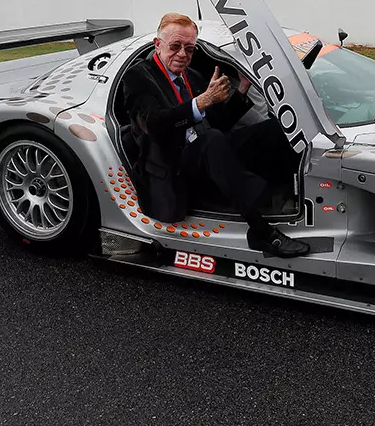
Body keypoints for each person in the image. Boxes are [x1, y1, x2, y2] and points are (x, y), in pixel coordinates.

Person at [123, 13, 310, 258]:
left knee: (273, 129)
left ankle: (285, 196)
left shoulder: (192, 76)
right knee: (211, 140)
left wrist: (242, 88)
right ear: (158, 45)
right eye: (175, 46)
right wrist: (202, 102)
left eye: (189, 49)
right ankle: (261, 231)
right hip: (171, 165)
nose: (182, 54)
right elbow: (155, 125)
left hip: (205, 153)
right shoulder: (138, 76)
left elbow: (218, 122)